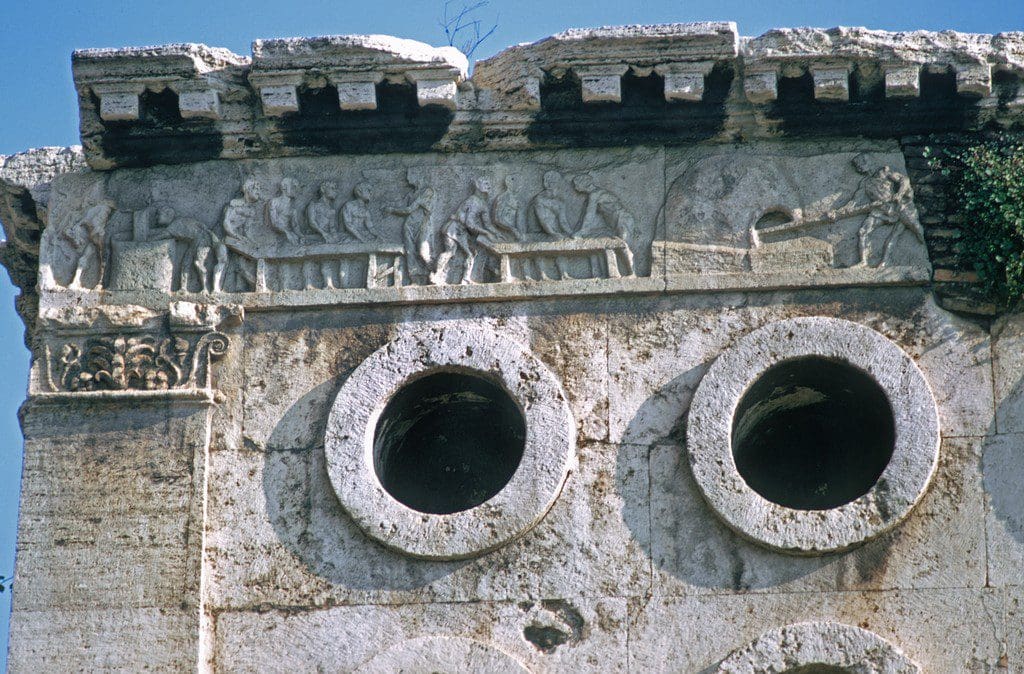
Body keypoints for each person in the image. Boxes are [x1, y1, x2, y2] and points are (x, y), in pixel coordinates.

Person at [838, 154, 926, 268]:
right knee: (863, 231)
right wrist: (839, 211)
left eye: (859, 165)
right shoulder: (866, 183)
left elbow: (904, 180)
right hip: (882, 211)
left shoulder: (885, 171)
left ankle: (920, 256)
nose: (858, 169)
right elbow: (854, 201)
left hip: (899, 207)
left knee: (914, 229)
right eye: (857, 167)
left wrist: (899, 194)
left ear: (866, 162)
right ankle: (863, 262)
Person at [431, 177, 494, 285]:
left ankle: (465, 278)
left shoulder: (482, 204)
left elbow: (488, 224)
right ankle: (437, 275)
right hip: (453, 230)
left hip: (461, 232)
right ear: (478, 186)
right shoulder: (473, 201)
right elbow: (469, 223)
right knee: (450, 252)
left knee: (472, 252)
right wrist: (486, 232)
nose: (489, 186)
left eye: (489, 183)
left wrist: (496, 233)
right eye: (486, 183)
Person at [149, 206, 227, 293]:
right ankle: (183, 288)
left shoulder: (175, 225)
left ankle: (205, 289)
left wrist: (147, 239)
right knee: (186, 263)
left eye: (159, 214)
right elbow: (202, 225)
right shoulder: (182, 220)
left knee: (198, 263)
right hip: (198, 240)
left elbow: (162, 235)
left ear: (168, 215)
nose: (157, 217)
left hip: (202, 240)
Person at [572, 173, 635, 276]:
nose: (575, 187)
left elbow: (589, 215)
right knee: (613, 243)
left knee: (623, 246)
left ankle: (632, 272)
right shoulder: (593, 196)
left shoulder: (595, 194)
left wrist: (581, 232)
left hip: (622, 219)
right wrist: (579, 232)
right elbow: (586, 218)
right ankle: (615, 273)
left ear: (584, 184)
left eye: (576, 184)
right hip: (614, 223)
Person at [64, 183, 115, 289]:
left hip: (100, 237)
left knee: (101, 258)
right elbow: (90, 223)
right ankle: (77, 281)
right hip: (95, 237)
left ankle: (100, 282)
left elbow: (96, 222)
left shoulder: (102, 208)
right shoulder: (94, 210)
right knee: (85, 258)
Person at [388, 172, 435, 284]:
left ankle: (434, 274)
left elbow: (409, 209)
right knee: (410, 252)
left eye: (410, 177)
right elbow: (402, 205)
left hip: (422, 225)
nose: (409, 180)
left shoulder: (428, 191)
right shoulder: (410, 194)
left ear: (418, 177)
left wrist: (391, 210)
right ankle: (413, 279)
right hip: (409, 225)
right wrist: (390, 206)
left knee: (423, 252)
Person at [267, 177, 302, 244]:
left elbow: (296, 227)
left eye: (297, 187)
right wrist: (287, 233)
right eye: (294, 187)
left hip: (290, 236)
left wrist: (302, 237)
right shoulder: (275, 202)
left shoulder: (293, 210)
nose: (297, 190)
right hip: (277, 238)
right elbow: (274, 222)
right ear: (284, 187)